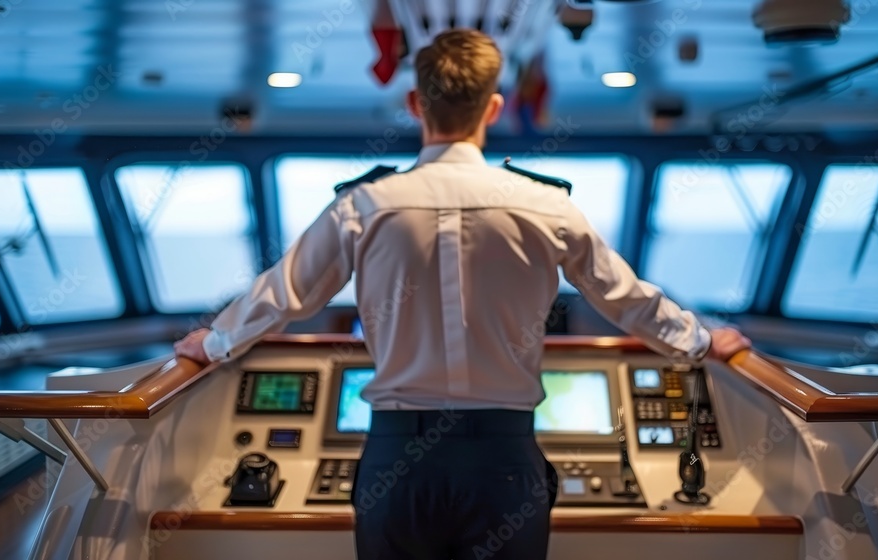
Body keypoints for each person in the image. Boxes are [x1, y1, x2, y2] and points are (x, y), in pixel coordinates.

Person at [174, 28, 751, 560]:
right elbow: (622, 297)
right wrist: (701, 341)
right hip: (503, 462)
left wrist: (216, 342)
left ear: (415, 103)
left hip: (398, 461)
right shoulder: (546, 205)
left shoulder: (363, 206)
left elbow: (286, 292)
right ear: (493, 108)